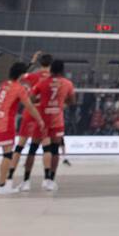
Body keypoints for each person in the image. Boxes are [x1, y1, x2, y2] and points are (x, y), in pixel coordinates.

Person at [0, 62, 43, 194]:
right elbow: (29, 107)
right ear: (21, 74)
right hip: (6, 123)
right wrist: (39, 119)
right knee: (7, 154)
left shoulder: (4, 84)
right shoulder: (19, 88)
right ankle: (2, 186)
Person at [12, 52, 52, 191]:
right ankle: (47, 180)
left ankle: (19, 180)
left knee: (21, 147)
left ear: (40, 64)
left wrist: (31, 62)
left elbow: (20, 76)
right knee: (47, 147)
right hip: (46, 114)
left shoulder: (33, 76)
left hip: (30, 112)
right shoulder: (54, 80)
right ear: (51, 65)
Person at [39, 59, 75, 189]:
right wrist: (61, 105)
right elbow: (72, 100)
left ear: (51, 69)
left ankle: (45, 177)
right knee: (55, 150)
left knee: (46, 150)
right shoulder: (67, 83)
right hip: (57, 120)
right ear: (62, 70)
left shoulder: (43, 82)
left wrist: (43, 104)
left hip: (44, 119)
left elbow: (32, 98)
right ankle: (51, 180)